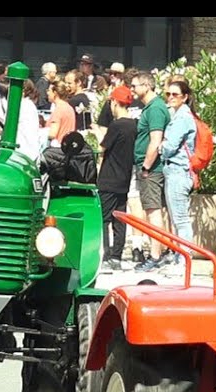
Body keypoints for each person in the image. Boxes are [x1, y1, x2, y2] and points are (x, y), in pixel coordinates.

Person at [154, 78, 196, 271]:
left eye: (175, 95)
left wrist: (161, 146)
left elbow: (169, 147)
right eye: (168, 94)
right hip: (176, 171)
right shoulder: (179, 115)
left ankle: (184, 261)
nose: (170, 97)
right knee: (177, 218)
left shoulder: (182, 118)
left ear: (185, 97)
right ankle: (181, 258)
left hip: (179, 171)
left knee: (180, 219)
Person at [130, 71, 169, 271]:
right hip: (149, 168)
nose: (132, 89)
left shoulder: (155, 109)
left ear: (146, 85)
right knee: (152, 210)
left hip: (151, 170)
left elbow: (156, 140)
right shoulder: (152, 108)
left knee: (153, 211)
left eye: (135, 85)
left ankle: (156, 255)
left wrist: (146, 166)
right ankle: (160, 252)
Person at [97, 83, 136, 271]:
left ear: (114, 102)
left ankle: (104, 256)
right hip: (124, 178)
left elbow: (102, 147)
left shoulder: (116, 125)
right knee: (120, 218)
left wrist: (96, 133)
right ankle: (117, 256)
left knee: (103, 218)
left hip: (109, 177)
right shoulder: (133, 125)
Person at [45, 79, 75, 146]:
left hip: (57, 149)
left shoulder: (58, 110)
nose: (47, 93)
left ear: (55, 93)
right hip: (66, 147)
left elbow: (52, 134)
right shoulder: (69, 108)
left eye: (49, 91)